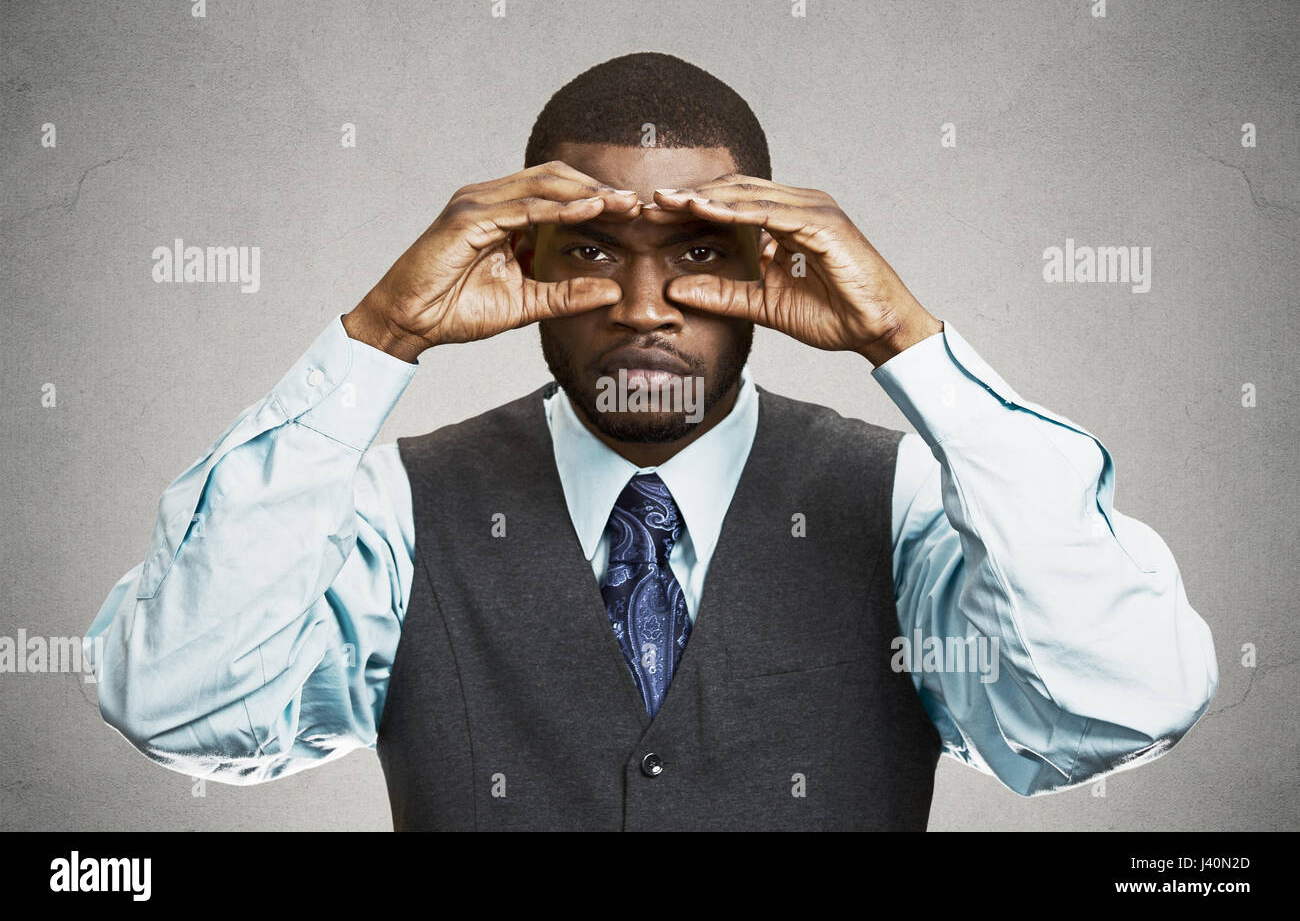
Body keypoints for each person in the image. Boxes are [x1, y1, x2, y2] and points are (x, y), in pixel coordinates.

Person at [84, 52, 1218, 831]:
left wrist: (910, 346)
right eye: (586, 251)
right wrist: (377, 336)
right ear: (520, 264)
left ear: (774, 263)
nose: (640, 305)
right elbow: (180, 703)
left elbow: (1120, 704)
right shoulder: (394, 508)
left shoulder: (909, 501)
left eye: (698, 251)